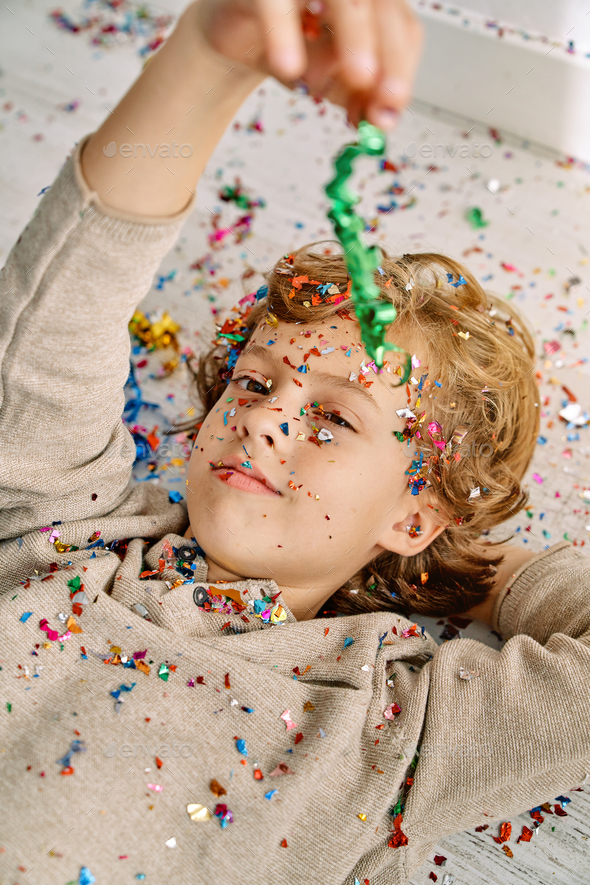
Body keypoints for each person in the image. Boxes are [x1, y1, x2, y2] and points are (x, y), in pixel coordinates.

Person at [0, 2, 588, 883]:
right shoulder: (63, 525)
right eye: (255, 381)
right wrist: (207, 53)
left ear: (414, 509)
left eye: (332, 418)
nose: (266, 418)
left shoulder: (384, 726)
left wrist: (462, 566)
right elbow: (59, 313)